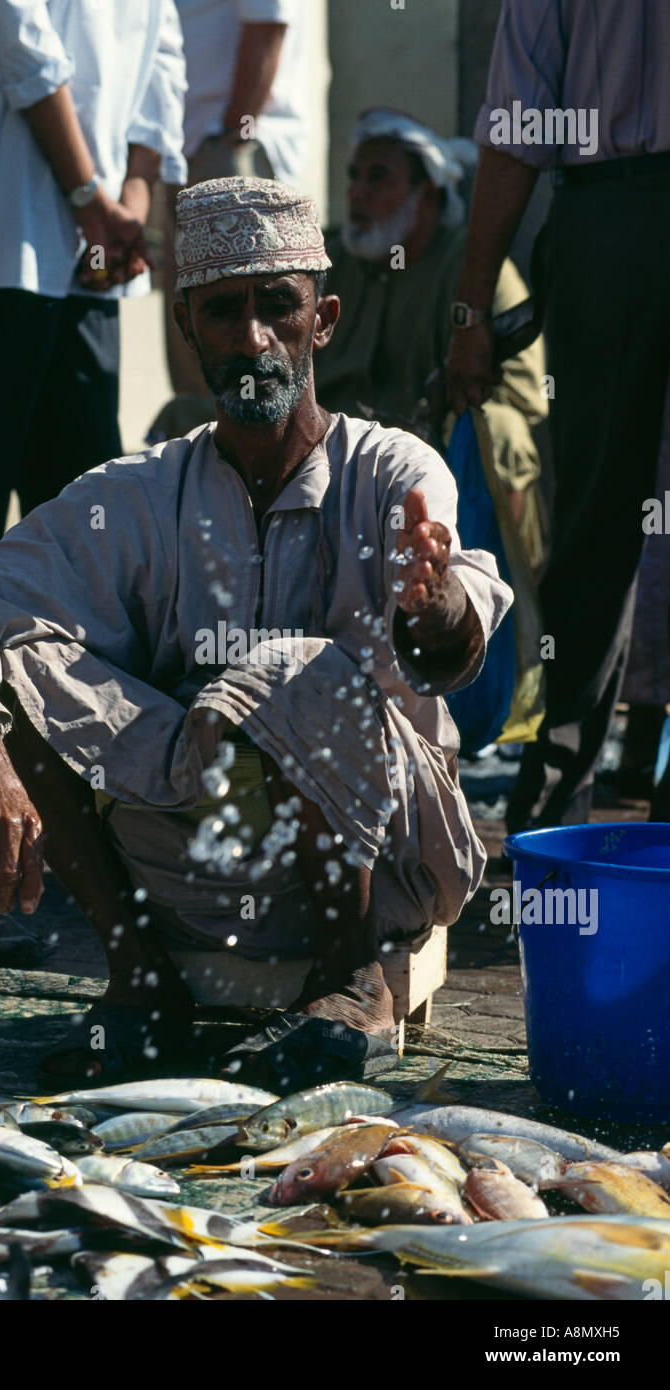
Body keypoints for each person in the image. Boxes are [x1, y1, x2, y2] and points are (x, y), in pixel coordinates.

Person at [0, 178, 511, 1091]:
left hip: (384, 864)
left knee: (296, 669)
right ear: (188, 328)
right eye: (225, 312)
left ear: (325, 319)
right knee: (19, 658)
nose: (253, 338)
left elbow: (454, 640)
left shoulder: (391, 470)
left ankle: (349, 981)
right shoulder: (137, 494)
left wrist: (434, 612)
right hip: (196, 872)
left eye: (279, 307)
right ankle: (142, 976)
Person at [446, 0, 670, 831]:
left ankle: (555, 802)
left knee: (595, 523)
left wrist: (472, 313)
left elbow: (514, 124)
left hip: (605, 224)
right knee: (599, 523)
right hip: (604, 226)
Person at [0, 0, 186, 571]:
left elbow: (163, 56)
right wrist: (94, 202)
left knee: (84, 510)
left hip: (92, 245)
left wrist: (129, 206)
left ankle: (66, 660)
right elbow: (24, 42)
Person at [314, 109, 548, 576]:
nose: (357, 193)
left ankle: (498, 614)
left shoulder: (473, 269)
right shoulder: (325, 259)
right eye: (354, 177)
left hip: (433, 462)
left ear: (426, 195)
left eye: (378, 179)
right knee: (186, 418)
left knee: (502, 433)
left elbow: (527, 393)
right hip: (327, 455)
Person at [158, 0, 309, 401]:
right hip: (192, 151)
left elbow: (267, 23)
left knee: (249, 349)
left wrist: (231, 138)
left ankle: (250, 462)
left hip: (222, 153)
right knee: (199, 344)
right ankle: (208, 460)